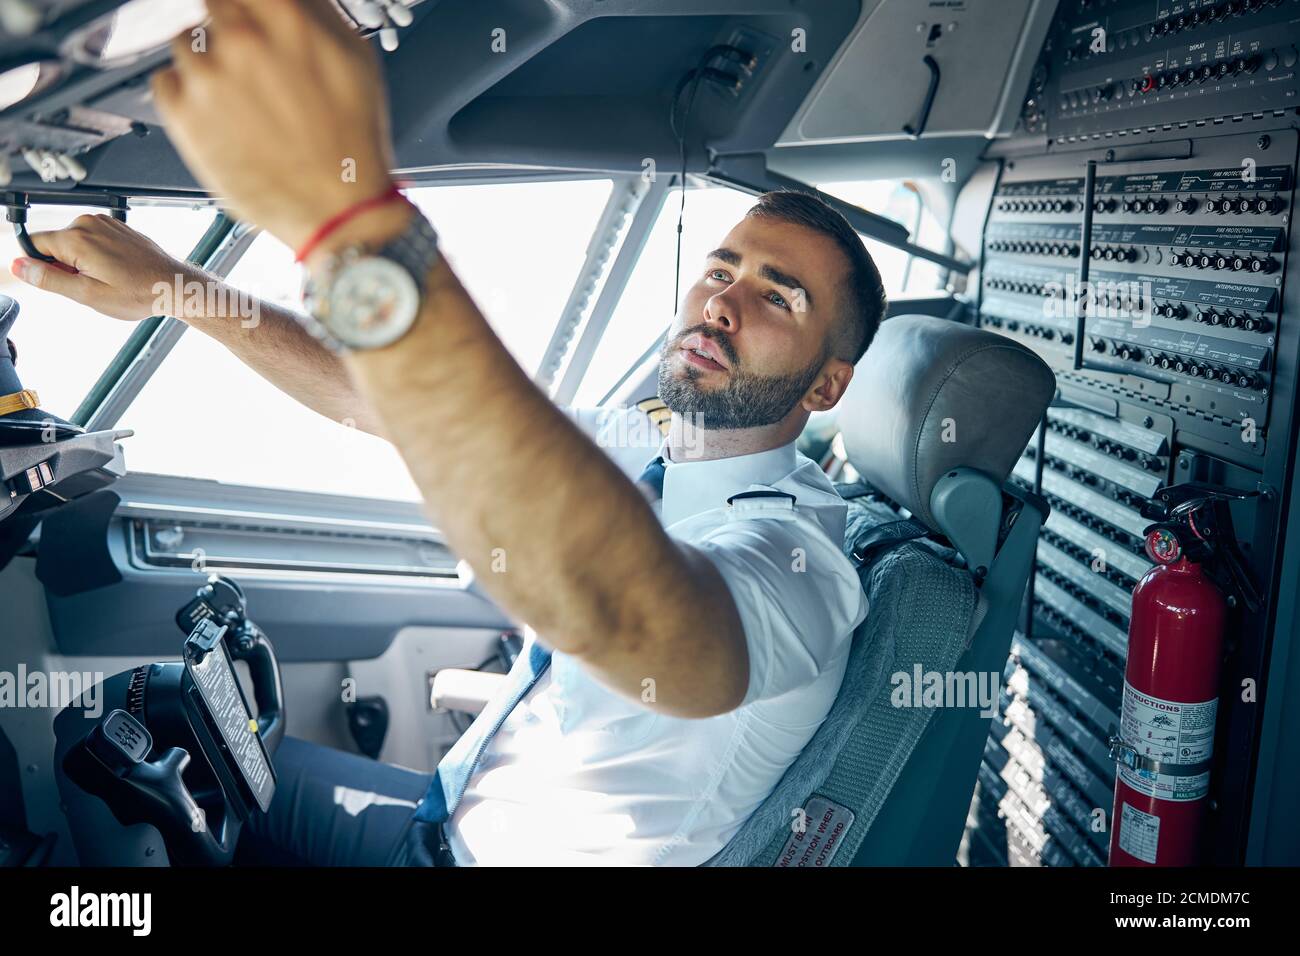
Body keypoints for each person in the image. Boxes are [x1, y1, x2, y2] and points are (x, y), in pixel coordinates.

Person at [11, 0, 887, 866]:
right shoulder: (652, 443)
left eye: (778, 296)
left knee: (120, 769)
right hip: (443, 814)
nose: (722, 304)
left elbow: (627, 611)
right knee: (139, 729)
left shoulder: (803, 564)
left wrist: (350, 223)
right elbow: (390, 401)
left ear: (827, 382)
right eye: (721, 270)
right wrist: (177, 288)